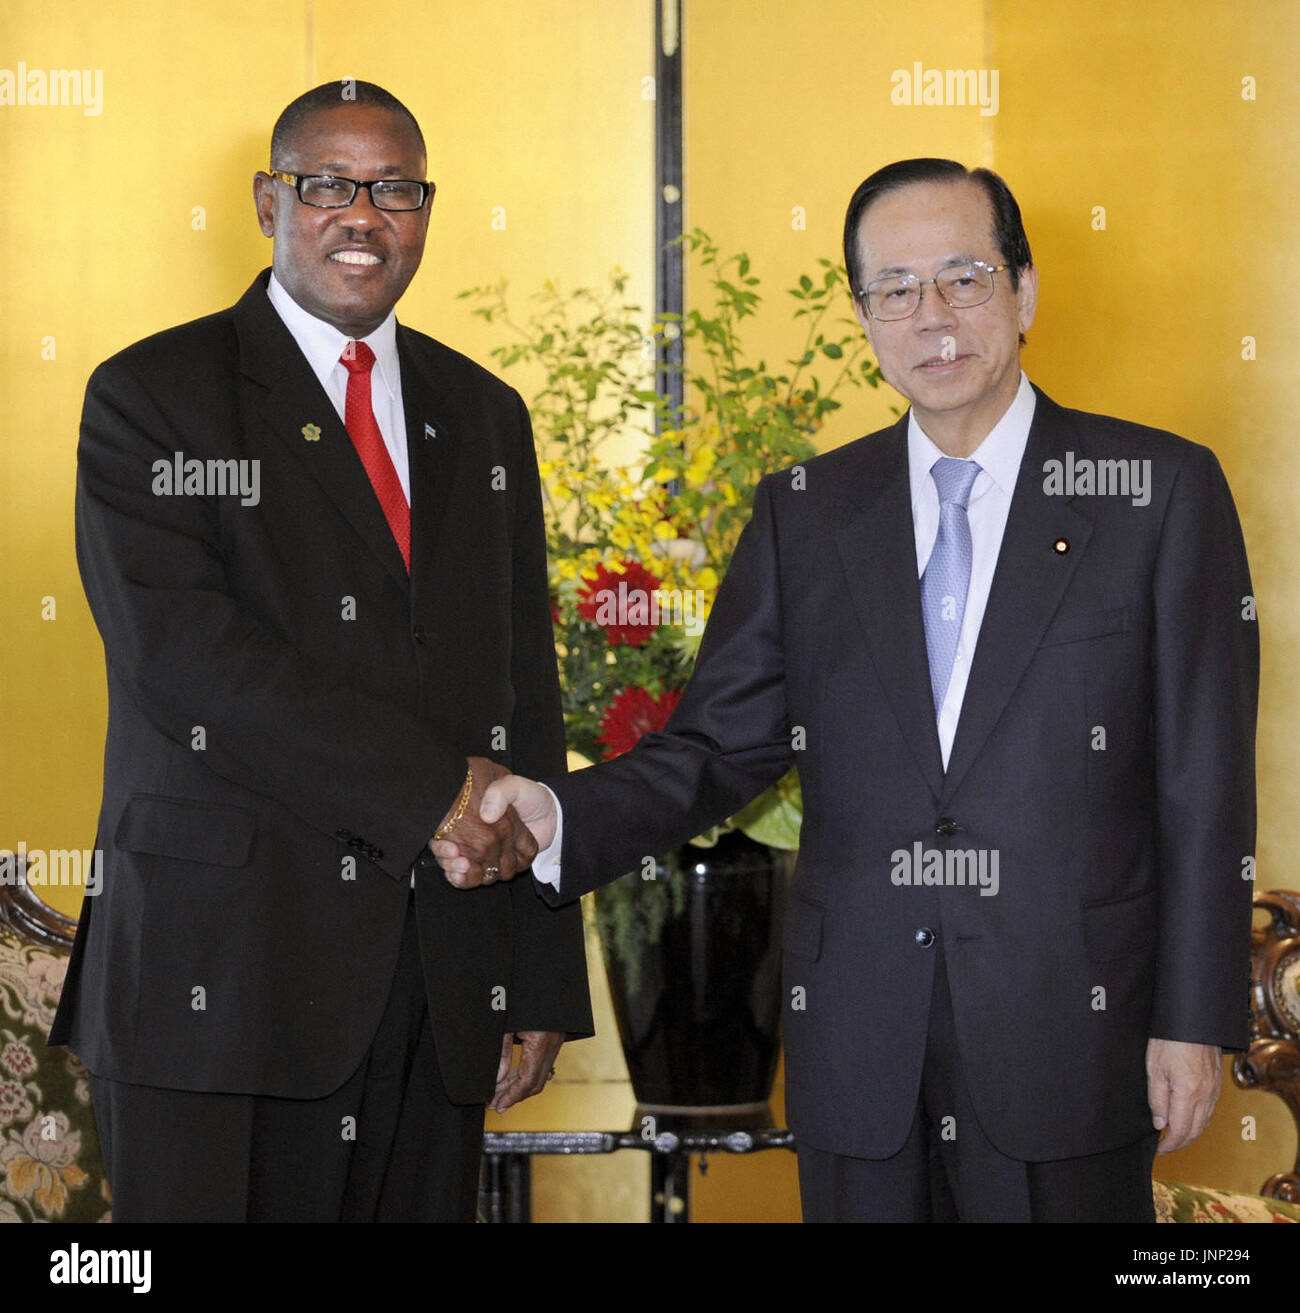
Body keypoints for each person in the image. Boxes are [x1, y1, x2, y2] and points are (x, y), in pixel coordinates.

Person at [434, 159, 1259, 1222]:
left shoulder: (1156, 490)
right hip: (862, 1046)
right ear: (864, 315)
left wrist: (1190, 1018)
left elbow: (1204, 782)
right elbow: (718, 747)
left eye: (962, 278)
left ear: (1024, 289)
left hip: (1072, 1034)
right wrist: (557, 810)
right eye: (895, 289)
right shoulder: (809, 512)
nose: (933, 316)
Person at [49, 80, 591, 1223]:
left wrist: (539, 971)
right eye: (328, 184)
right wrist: (437, 791)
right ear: (269, 201)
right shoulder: (154, 395)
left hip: (437, 979)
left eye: (394, 188)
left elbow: (519, 687)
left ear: (425, 210)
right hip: (225, 977)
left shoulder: (483, 412)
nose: (363, 214)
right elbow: (187, 660)